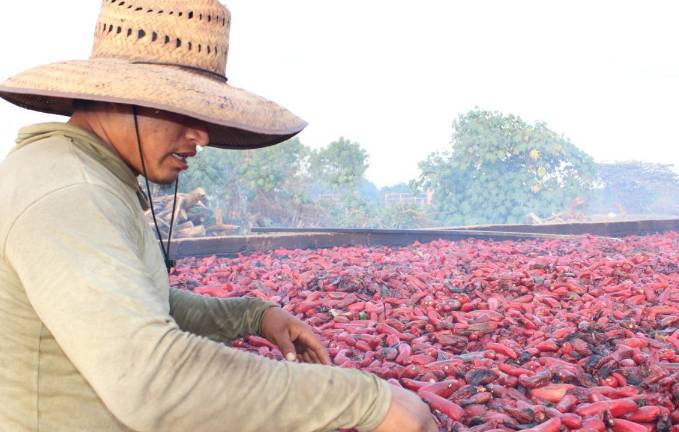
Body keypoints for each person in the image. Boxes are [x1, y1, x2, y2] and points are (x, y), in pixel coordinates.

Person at [0, 1, 436, 431]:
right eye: (184, 110)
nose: (201, 135)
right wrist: (368, 400)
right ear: (120, 97)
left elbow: (136, 299)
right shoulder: (72, 193)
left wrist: (253, 316)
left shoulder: (85, 173)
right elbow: (154, 379)